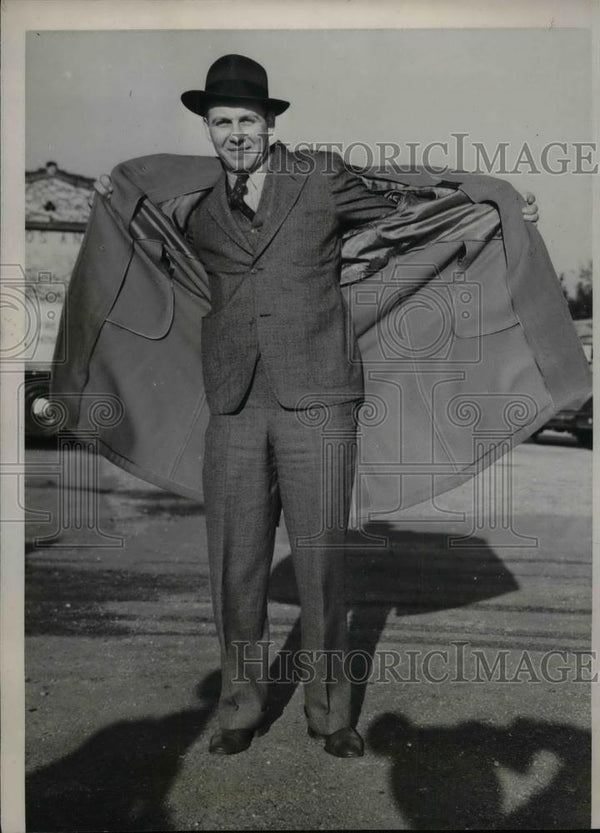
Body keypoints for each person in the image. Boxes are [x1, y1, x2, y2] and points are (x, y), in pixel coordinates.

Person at [91, 54, 541, 758]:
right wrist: (111, 195)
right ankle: (240, 708)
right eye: (220, 123)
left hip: (319, 400)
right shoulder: (201, 209)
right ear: (207, 129)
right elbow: (145, 230)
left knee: (323, 563)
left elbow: (405, 206)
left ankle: (332, 717)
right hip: (234, 404)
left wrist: (486, 200)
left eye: (245, 119)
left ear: (270, 122)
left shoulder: (319, 176)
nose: (234, 133)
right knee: (234, 563)